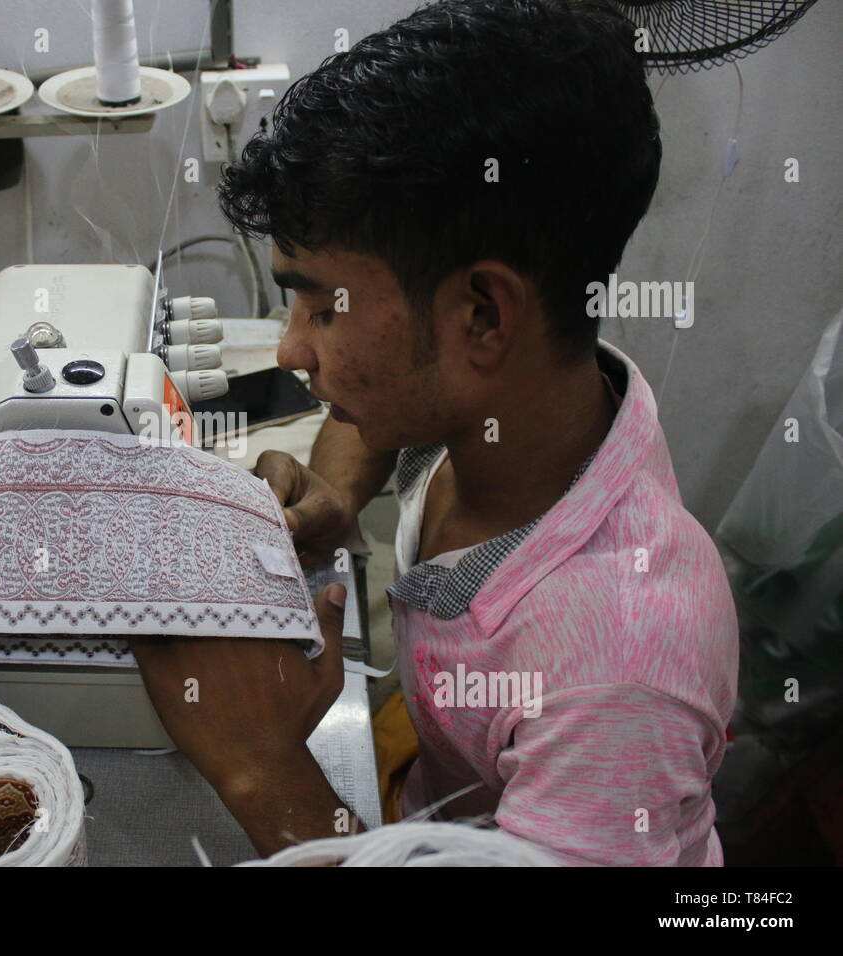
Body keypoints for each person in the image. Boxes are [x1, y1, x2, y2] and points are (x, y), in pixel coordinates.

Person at [129, 0, 739, 865]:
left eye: (323, 307)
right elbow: (380, 425)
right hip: (441, 802)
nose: (292, 348)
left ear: (482, 314)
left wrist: (260, 769)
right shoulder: (523, 396)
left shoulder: (616, 685)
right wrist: (338, 493)